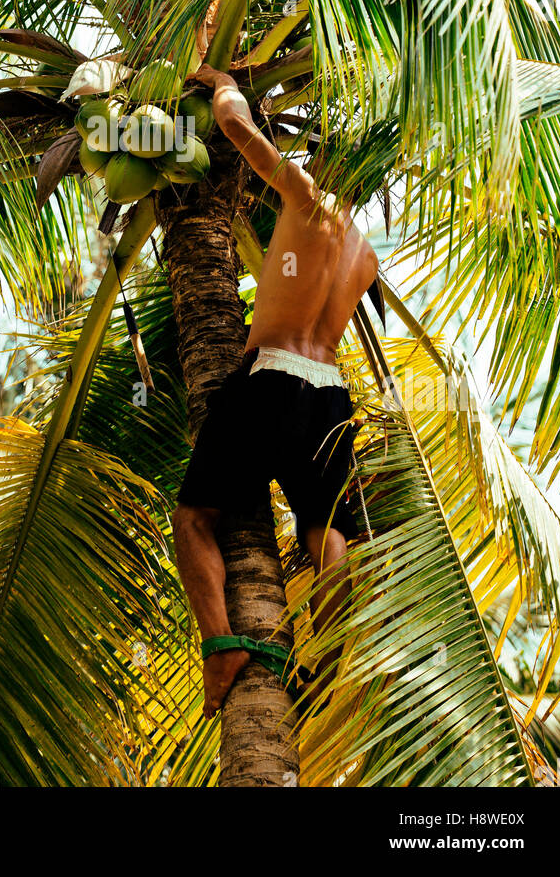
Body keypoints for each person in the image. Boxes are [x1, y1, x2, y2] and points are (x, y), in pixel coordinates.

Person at [173, 64, 379, 719]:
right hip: (331, 394)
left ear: (323, 157)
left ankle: (221, 646)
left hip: (274, 376)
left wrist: (225, 81)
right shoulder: (365, 254)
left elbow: (233, 126)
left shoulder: (306, 195)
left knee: (194, 517)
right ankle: (331, 657)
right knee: (326, 534)